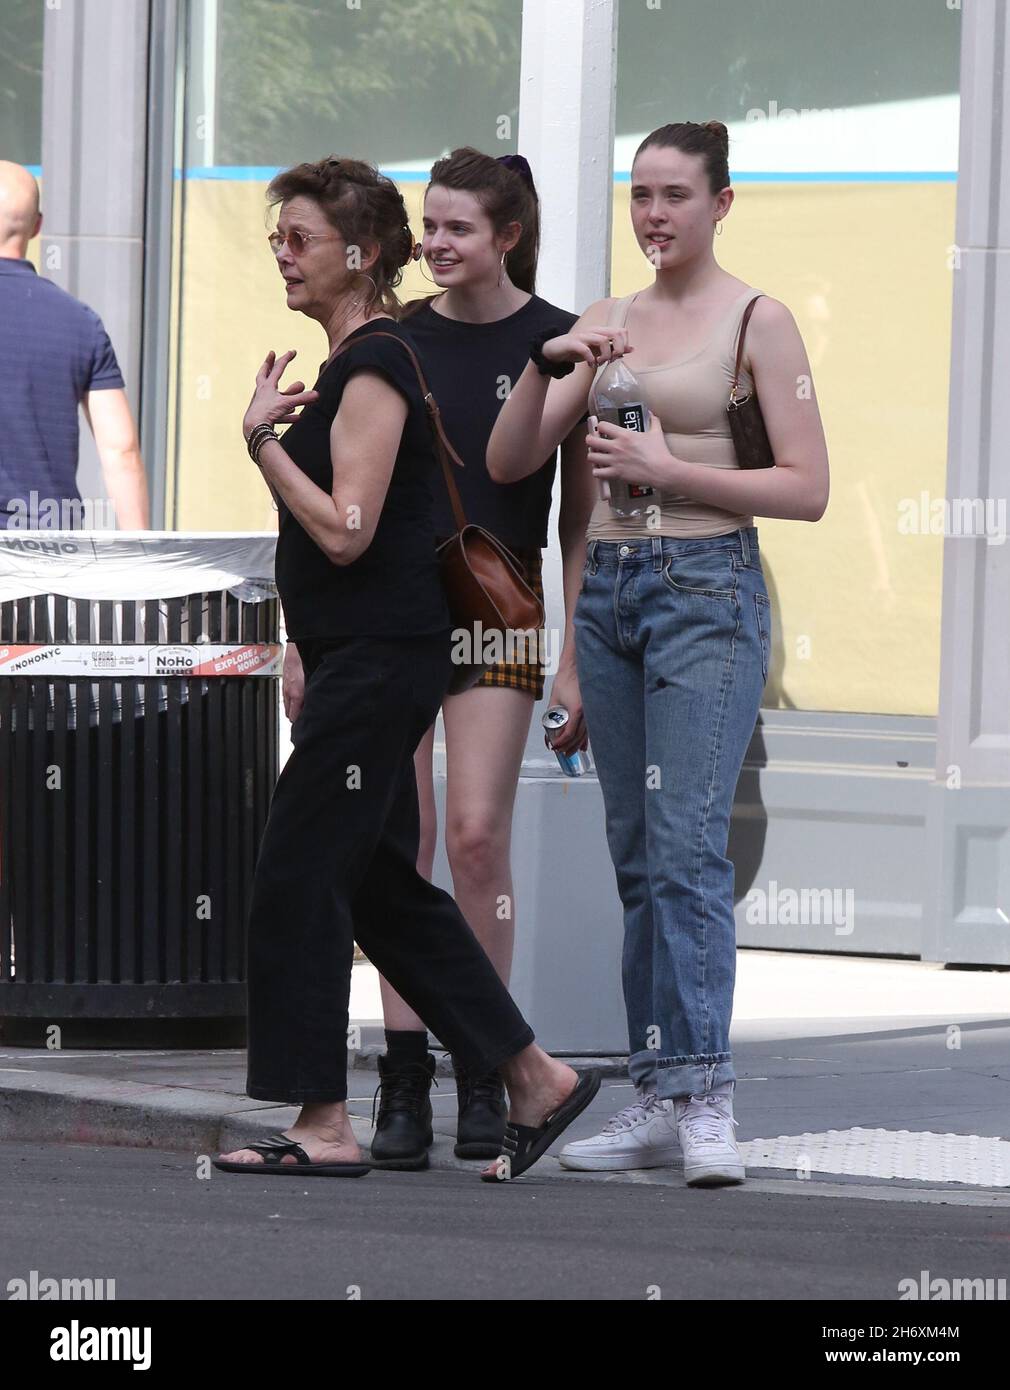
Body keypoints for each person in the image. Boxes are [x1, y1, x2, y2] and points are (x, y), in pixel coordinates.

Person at [214, 156, 598, 1180]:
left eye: (299, 239)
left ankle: (323, 1122)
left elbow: (345, 532)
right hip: (364, 655)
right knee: (383, 886)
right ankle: (532, 1075)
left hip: (381, 663)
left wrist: (261, 444)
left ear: (359, 253)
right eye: (276, 240)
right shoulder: (367, 357)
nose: (282, 256)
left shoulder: (374, 364)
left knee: (297, 872)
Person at [487, 121, 829, 1186]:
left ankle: (707, 1094)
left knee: (685, 850)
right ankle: (653, 1090)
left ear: (720, 203)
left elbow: (804, 488)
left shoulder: (754, 322)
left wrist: (662, 462)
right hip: (612, 601)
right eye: (639, 195)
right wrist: (552, 361)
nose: (652, 215)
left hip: (705, 588)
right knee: (636, 858)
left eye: (674, 195)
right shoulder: (605, 319)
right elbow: (510, 459)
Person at [0, 161, 149, 530]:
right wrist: (143, 558)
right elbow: (121, 451)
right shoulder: (81, 323)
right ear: (37, 226)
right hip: (47, 556)